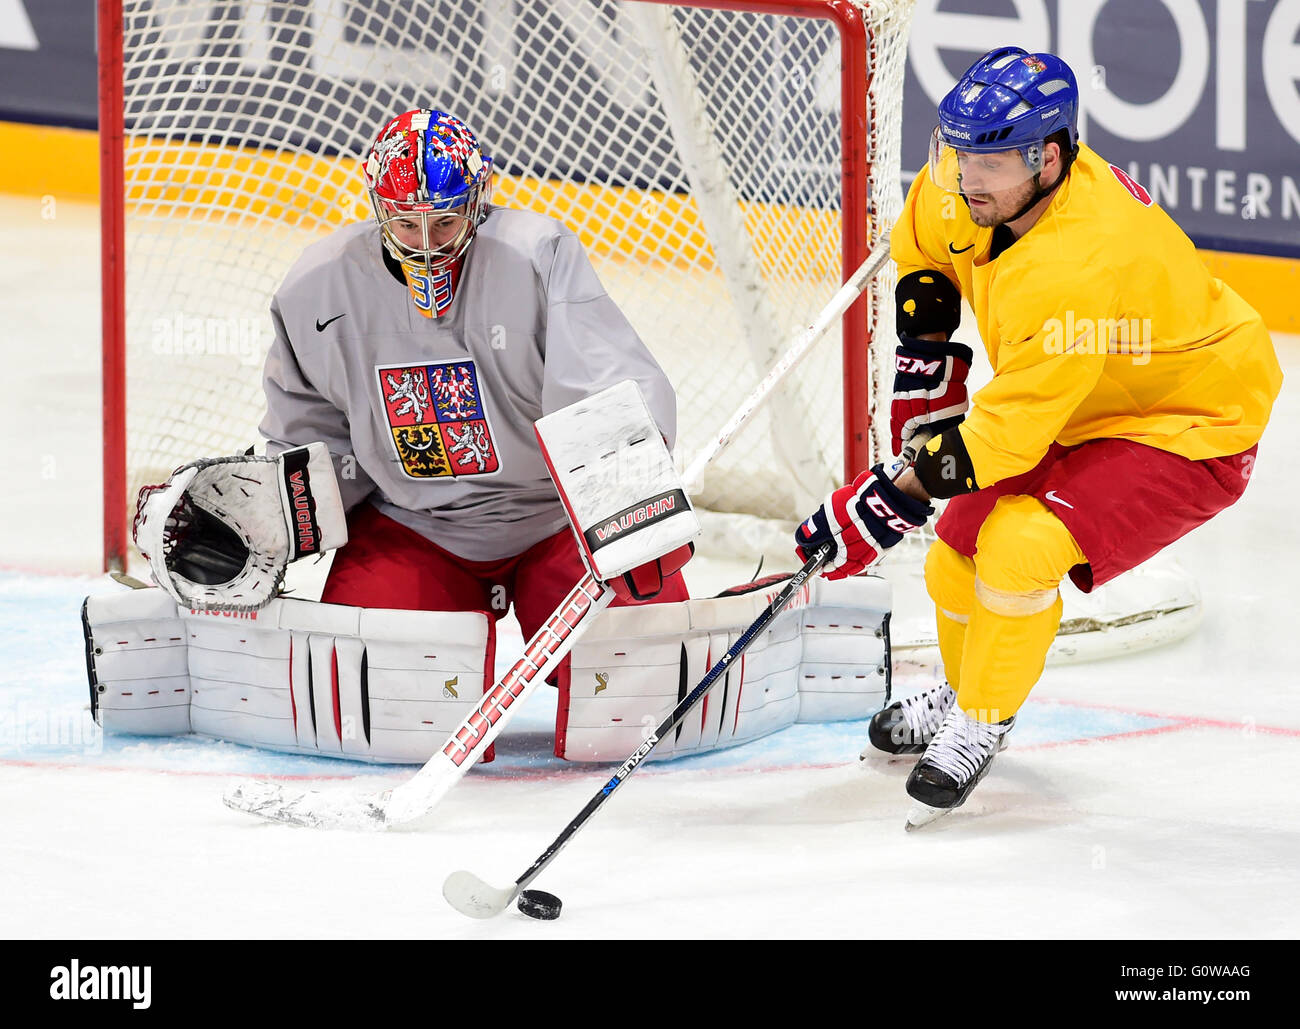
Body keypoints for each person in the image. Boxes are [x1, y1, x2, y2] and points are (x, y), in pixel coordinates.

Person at [795, 47, 1282, 823]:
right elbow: (924, 249)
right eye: (958, 153)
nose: (965, 178)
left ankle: (983, 720)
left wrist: (889, 498)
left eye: (988, 162)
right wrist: (928, 368)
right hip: (1085, 396)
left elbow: (1005, 438)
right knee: (958, 547)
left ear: (1048, 158)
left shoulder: (1081, 262)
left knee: (1020, 543)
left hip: (1192, 419)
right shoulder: (972, 182)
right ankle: (962, 690)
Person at [261, 108, 691, 641]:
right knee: (373, 677)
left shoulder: (537, 254)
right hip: (415, 526)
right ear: (376, 206)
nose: (426, 242)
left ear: (477, 200)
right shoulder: (316, 288)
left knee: (640, 657)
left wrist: (631, 507)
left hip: (558, 521)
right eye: (404, 221)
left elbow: (601, 388)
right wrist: (277, 519)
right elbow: (311, 431)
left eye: (444, 219)